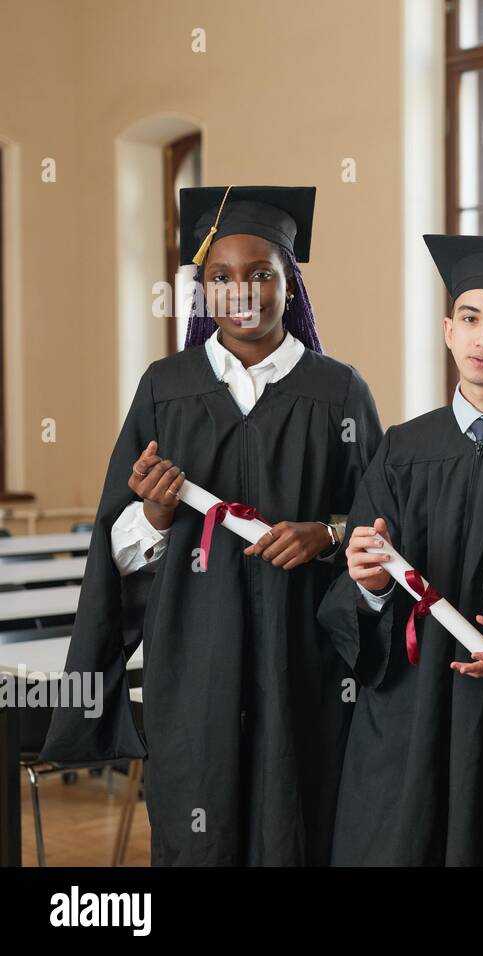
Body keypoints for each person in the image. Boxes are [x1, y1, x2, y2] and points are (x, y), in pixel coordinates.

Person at [41, 185, 382, 865]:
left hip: (307, 665)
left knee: (301, 826)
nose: (242, 293)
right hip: (194, 662)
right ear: (202, 292)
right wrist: (156, 513)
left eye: (263, 274)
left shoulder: (338, 392)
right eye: (220, 278)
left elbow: (383, 526)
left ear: (292, 285)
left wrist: (329, 535)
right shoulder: (166, 391)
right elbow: (119, 550)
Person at [317, 235, 483, 865]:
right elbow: (352, 601)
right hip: (412, 712)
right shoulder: (402, 450)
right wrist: (369, 585)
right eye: (471, 319)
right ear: (448, 331)